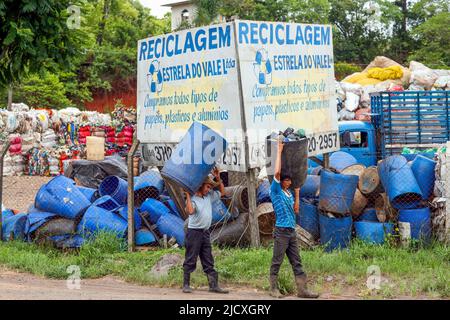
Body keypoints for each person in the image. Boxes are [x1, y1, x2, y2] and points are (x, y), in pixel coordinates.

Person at [269, 138, 319, 299]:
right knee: (277, 260)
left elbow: (296, 210)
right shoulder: (275, 191)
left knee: (296, 261)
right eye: (286, 180)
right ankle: (273, 289)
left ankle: (302, 290)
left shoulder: (289, 193)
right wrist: (279, 150)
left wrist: (297, 193)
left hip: (291, 231)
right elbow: (276, 173)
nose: (288, 182)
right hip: (281, 231)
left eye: (289, 180)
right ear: (281, 181)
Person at [182, 167, 229, 294]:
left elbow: (223, 192)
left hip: (205, 232)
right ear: (201, 186)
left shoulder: (208, 196)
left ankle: (213, 285)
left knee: (208, 258)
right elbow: (190, 211)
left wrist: (218, 178)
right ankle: (186, 284)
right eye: (207, 187)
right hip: (194, 233)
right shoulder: (193, 199)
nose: (209, 189)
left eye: (210, 187)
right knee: (191, 257)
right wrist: (187, 195)